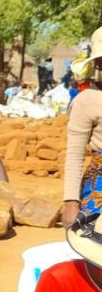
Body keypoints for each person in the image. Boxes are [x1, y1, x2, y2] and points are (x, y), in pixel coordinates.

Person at [63, 28, 102, 230]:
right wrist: (71, 202)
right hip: (99, 193)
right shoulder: (86, 101)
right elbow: (74, 154)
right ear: (98, 63)